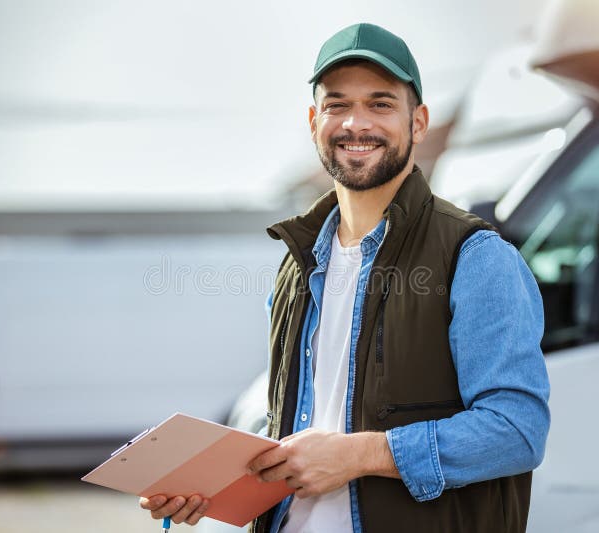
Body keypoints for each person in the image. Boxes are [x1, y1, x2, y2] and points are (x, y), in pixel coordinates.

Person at [141, 23, 550, 532]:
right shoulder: (297, 266)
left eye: (380, 104)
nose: (357, 123)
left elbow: (517, 431)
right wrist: (212, 485)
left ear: (418, 122)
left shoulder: (476, 257)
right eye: (337, 105)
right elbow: (295, 433)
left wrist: (360, 455)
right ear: (315, 122)